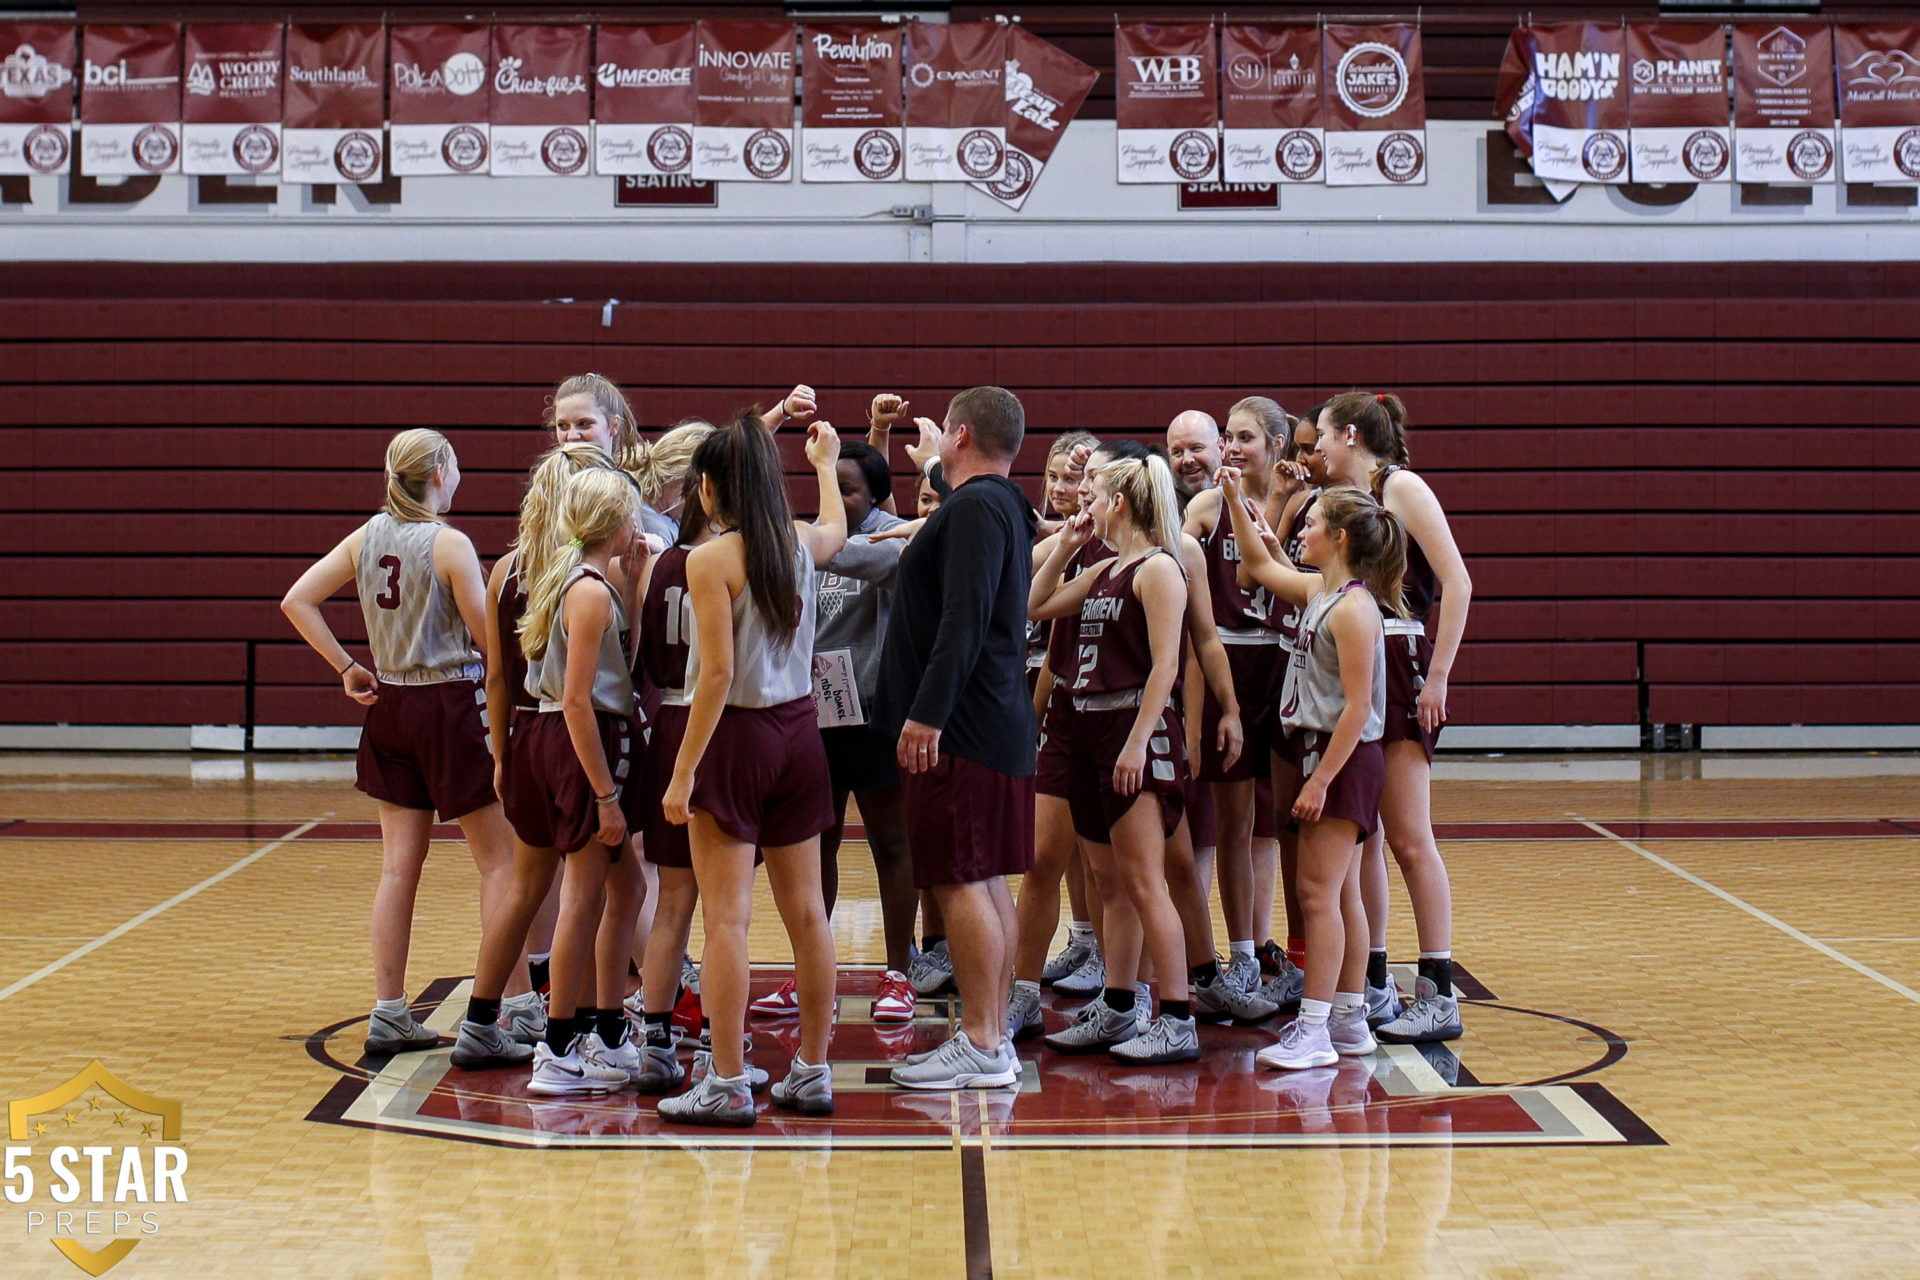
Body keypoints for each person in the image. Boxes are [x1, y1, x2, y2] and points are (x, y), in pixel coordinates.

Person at [281, 429, 522, 1057]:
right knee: (501, 863)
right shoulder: (450, 543)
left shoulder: (367, 536)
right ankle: (516, 1007)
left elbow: (296, 600)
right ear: (440, 471)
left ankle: (389, 1011)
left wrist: (346, 667)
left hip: (389, 703)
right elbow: (488, 640)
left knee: (396, 868)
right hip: (449, 704)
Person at [656, 415, 848, 1126]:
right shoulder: (798, 541)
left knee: (727, 922)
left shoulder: (707, 560)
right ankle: (814, 1069)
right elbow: (837, 529)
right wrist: (826, 464)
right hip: (801, 732)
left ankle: (729, 1080)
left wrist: (682, 775)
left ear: (707, 489)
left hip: (736, 738)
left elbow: (715, 676)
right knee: (808, 916)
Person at [879, 387, 1037, 1091]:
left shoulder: (973, 509)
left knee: (960, 880)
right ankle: (992, 1035)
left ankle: (977, 1039)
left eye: (944, 432)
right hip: (990, 723)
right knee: (982, 879)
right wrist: (938, 469)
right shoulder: (997, 503)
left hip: (961, 729)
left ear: (962, 432)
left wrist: (928, 714)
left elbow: (962, 620)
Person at [452, 442, 624, 1069]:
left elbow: (496, 678)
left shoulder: (507, 570)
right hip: (577, 741)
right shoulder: (592, 577)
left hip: (523, 735)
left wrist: (499, 754)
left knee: (524, 888)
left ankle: (479, 1021)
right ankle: (576, 1029)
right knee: (588, 891)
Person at [1026, 453, 1202, 1064]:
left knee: (1146, 882)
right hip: (1087, 724)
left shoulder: (1158, 570)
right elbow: (1036, 605)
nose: (1085, 504)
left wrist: (1136, 741)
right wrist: (1065, 545)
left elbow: (1167, 667)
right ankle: (1120, 1004)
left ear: (1121, 502)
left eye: (1094, 496)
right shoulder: (1104, 567)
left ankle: (1177, 1017)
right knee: (1110, 883)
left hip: (1133, 729)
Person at [1223, 479, 1403, 1070]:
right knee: (1341, 891)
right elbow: (1254, 562)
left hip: (1340, 758)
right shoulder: (1317, 590)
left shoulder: (1353, 608)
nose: (1301, 532)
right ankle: (1350, 1019)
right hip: (1324, 754)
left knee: (1316, 895)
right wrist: (1232, 499)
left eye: (1312, 524)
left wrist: (1322, 779)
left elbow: (1357, 709)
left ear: (1339, 537)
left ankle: (1316, 1029)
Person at [485, 468, 654, 1094]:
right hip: (585, 746)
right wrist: (606, 795)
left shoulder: (580, 580)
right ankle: (559, 1048)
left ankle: (608, 1030)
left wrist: (633, 589)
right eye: (631, 516)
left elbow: (620, 669)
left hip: (575, 739)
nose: (638, 527)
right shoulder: (585, 591)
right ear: (612, 523)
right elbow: (580, 701)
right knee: (582, 894)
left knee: (628, 887)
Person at [1313, 393, 1472, 1044]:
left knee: (1409, 837)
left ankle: (1439, 989)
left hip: (1405, 661)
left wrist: (1437, 677)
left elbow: (1458, 583)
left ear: (1350, 435)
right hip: (1371, 657)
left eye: (1321, 435)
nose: (1315, 447)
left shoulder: (1401, 487)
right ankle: (1375, 979)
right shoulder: (1350, 502)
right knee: (1368, 838)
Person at [1183, 397, 1298, 1007]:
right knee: (1233, 822)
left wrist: (1275, 499)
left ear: (1277, 445)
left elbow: (1265, 567)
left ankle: (1277, 947)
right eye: (1227, 435)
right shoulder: (1207, 505)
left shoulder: (1298, 506)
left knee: (1276, 828)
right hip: (1227, 667)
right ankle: (1244, 955)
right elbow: (1172, 551)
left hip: (1279, 665)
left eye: (1245, 436)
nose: (1230, 446)